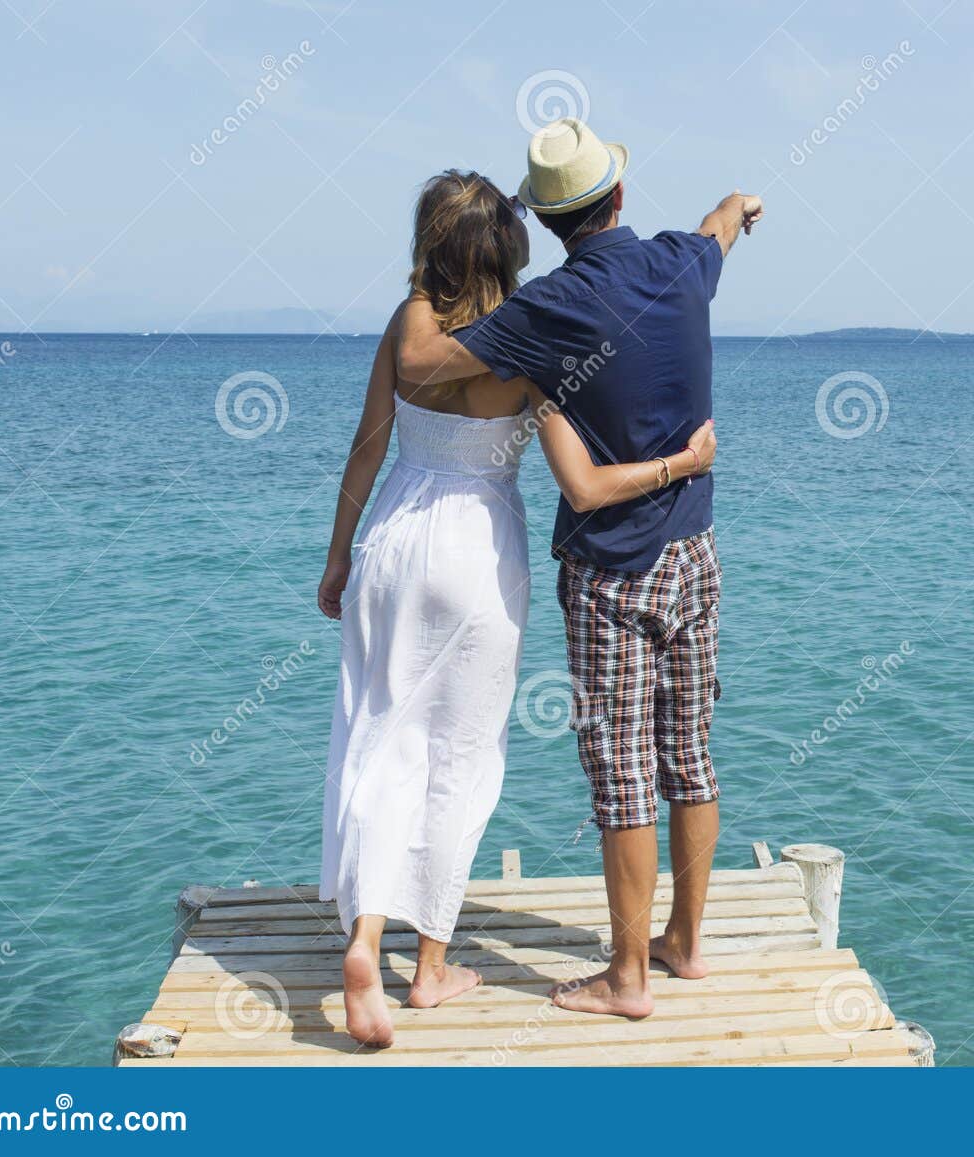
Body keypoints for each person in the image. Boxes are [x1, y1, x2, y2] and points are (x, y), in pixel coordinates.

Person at [316, 168, 716, 1047]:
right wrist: (679, 468)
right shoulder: (532, 348)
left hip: (394, 538)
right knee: (460, 751)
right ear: (511, 247)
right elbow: (579, 480)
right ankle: (430, 969)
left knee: (380, 736)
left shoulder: (408, 326)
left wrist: (339, 553)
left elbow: (364, 447)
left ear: (433, 243)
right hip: (478, 554)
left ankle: (364, 940)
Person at [397, 118, 763, 1018]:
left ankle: (628, 977)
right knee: (690, 754)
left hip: (613, 570)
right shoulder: (682, 261)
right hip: (696, 550)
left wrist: (429, 286)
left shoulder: (545, 310)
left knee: (622, 770)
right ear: (622, 195)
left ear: (551, 225)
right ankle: (683, 942)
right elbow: (720, 221)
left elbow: (416, 365)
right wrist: (741, 204)